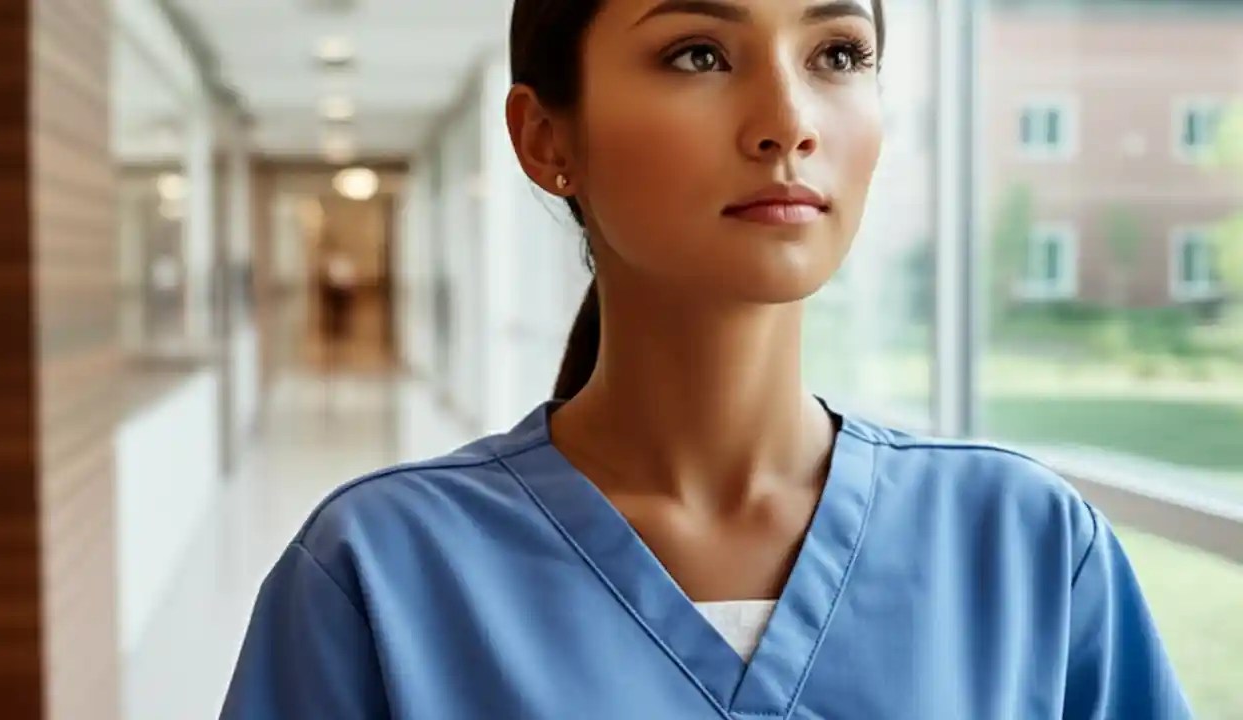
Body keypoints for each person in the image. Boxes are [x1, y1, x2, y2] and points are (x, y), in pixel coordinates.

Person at [220, 0, 1193, 717]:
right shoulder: (381, 571)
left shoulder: (1021, 546)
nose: (788, 121)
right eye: (697, 53)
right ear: (547, 137)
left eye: (837, 54)